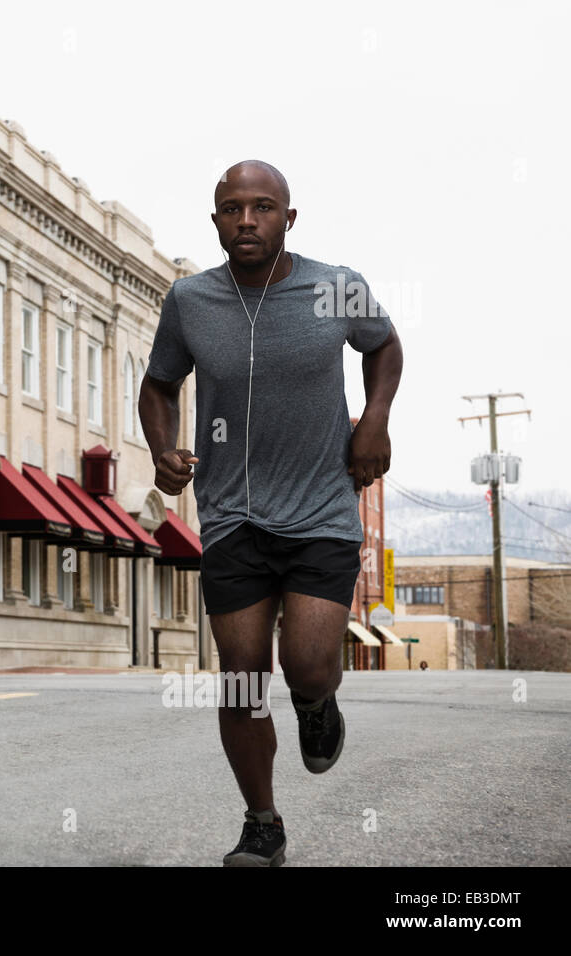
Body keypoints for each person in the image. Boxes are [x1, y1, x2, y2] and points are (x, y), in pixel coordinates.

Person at [139, 160, 404, 866]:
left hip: (321, 508)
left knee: (308, 665)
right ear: (216, 218)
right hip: (231, 515)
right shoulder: (191, 301)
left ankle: (318, 705)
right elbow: (158, 386)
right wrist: (163, 448)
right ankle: (263, 821)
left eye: (262, 208)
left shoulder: (334, 288)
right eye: (232, 208)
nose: (246, 220)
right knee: (244, 675)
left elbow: (384, 346)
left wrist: (373, 419)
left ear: (290, 218)